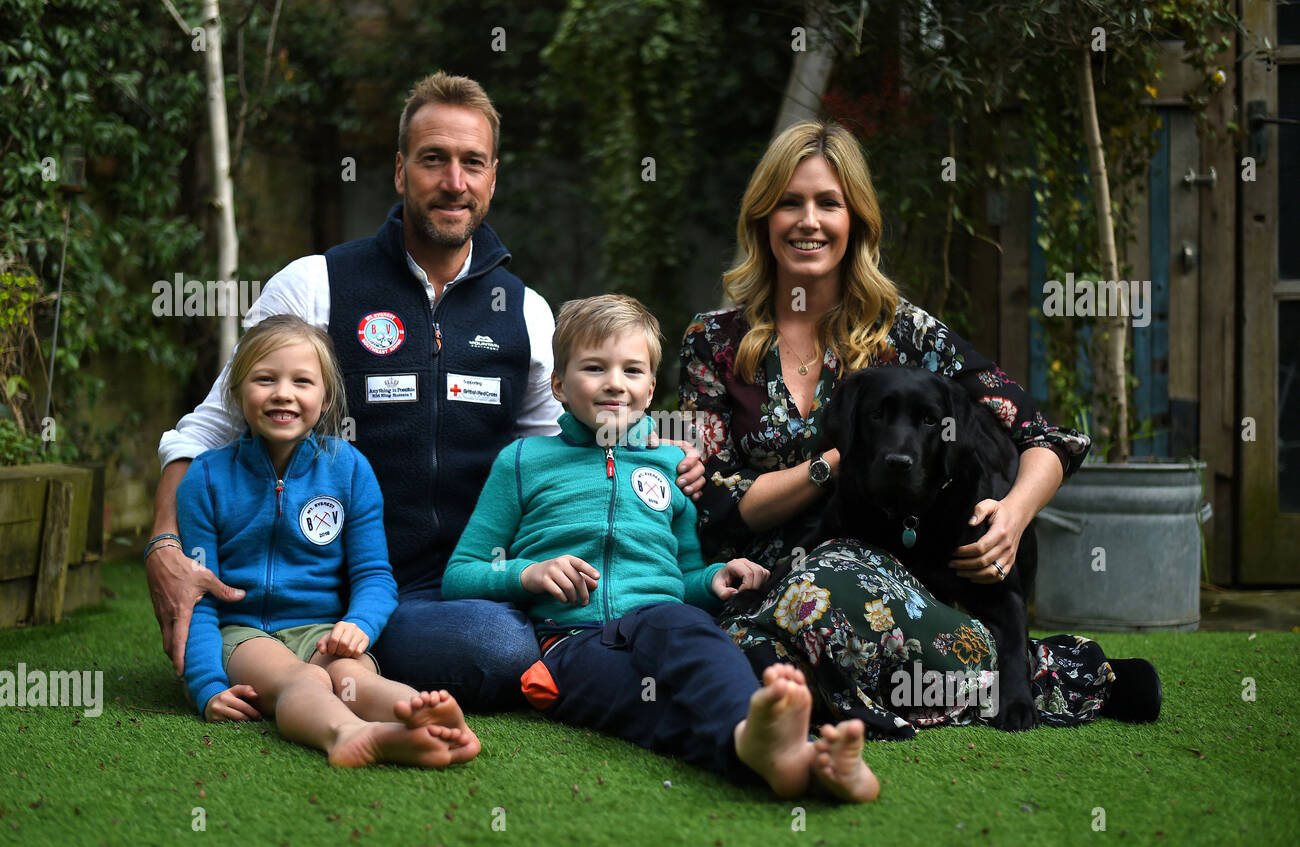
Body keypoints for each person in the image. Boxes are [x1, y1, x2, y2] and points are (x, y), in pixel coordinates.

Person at [148, 72, 705, 711]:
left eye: (472, 163)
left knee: (503, 641)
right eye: (433, 159)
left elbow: (564, 442)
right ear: (398, 170)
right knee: (501, 649)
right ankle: (319, 655)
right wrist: (166, 546)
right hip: (342, 588)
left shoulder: (525, 312)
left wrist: (653, 449)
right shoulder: (316, 284)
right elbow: (207, 428)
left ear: (494, 176)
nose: (454, 182)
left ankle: (350, 668)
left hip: (466, 586)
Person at [680, 120, 1160, 737]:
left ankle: (871, 688)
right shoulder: (714, 341)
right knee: (742, 660)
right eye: (789, 203)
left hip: (876, 574)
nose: (809, 221)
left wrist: (1010, 518)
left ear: (856, 221)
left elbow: (1046, 436)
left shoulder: (903, 332)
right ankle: (1052, 671)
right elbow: (714, 501)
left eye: (829, 203)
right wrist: (835, 460)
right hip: (754, 582)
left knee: (829, 595)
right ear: (761, 218)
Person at [442, 294, 879, 801]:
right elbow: (461, 573)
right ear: (559, 384)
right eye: (593, 367)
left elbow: (684, 575)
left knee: (687, 631)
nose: (614, 383)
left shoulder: (672, 467)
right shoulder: (521, 461)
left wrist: (712, 581)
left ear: (651, 388)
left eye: (632, 370)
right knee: (651, 703)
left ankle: (785, 750)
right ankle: (790, 755)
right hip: (568, 644)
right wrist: (527, 574)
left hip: (660, 620)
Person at [168, 314, 479, 767]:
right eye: (265, 379)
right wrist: (206, 686)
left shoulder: (348, 468)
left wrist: (359, 624)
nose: (283, 393)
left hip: (323, 630)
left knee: (353, 677)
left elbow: (374, 575)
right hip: (245, 635)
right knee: (305, 681)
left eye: (302, 381)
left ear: (325, 395)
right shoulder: (206, 478)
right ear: (236, 391)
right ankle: (347, 734)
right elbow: (199, 595)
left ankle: (425, 721)